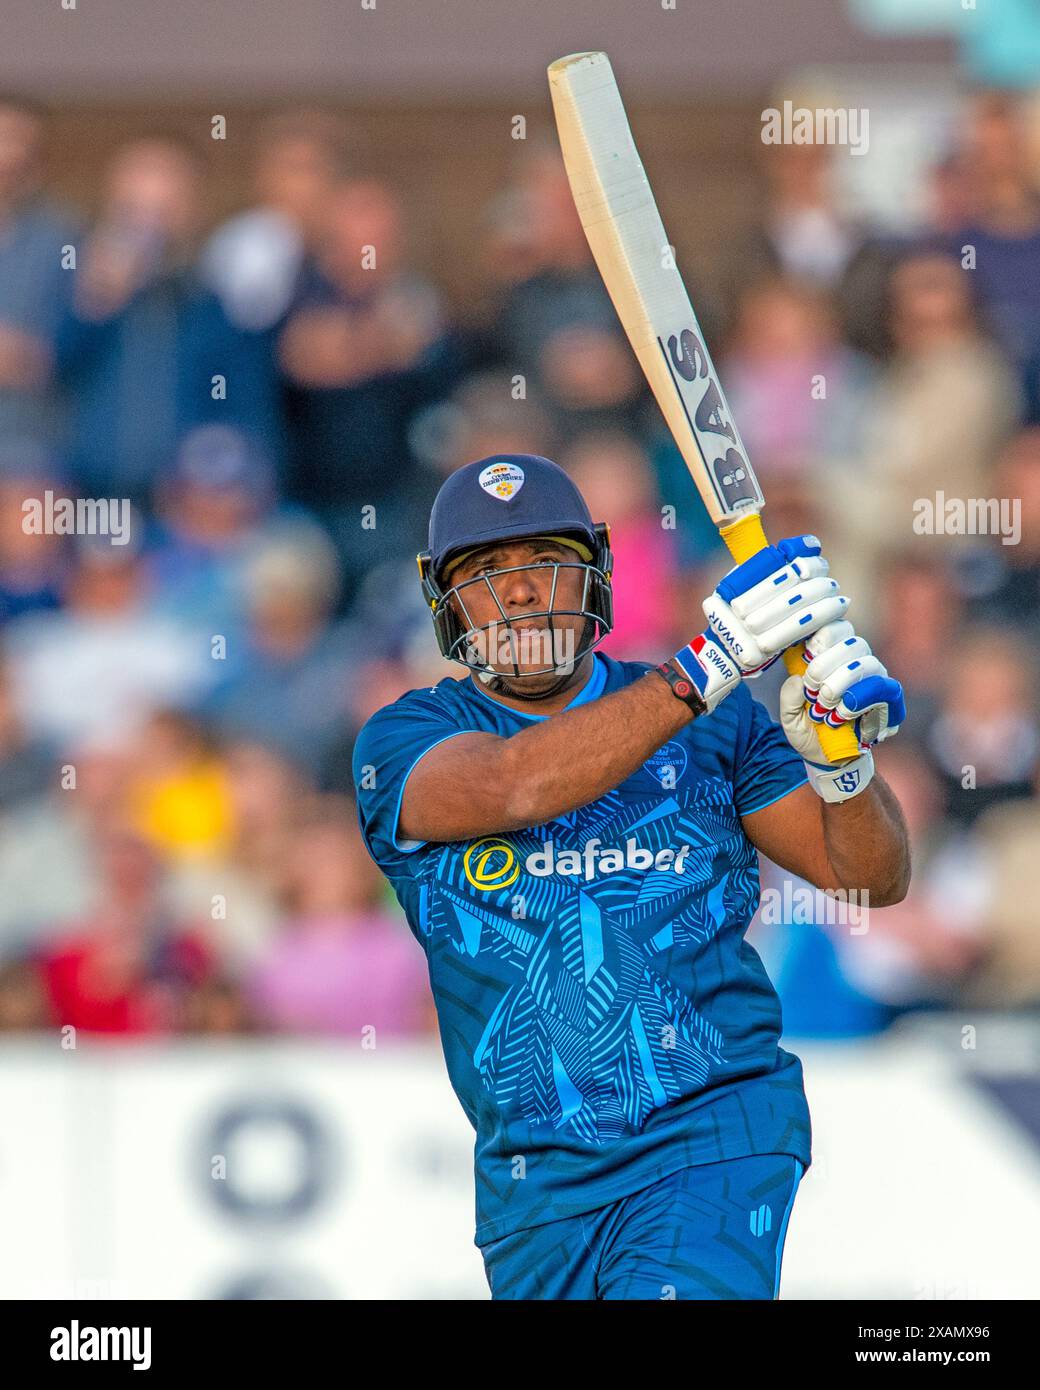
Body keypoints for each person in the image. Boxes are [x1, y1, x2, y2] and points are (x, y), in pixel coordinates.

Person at [352, 453, 909, 1300]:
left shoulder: (716, 722)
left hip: (712, 1135)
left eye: (547, 561)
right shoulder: (404, 740)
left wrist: (844, 765)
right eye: (487, 570)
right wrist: (707, 665)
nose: (521, 591)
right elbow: (515, 785)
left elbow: (869, 876)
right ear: (445, 600)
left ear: (598, 573)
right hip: (534, 1189)